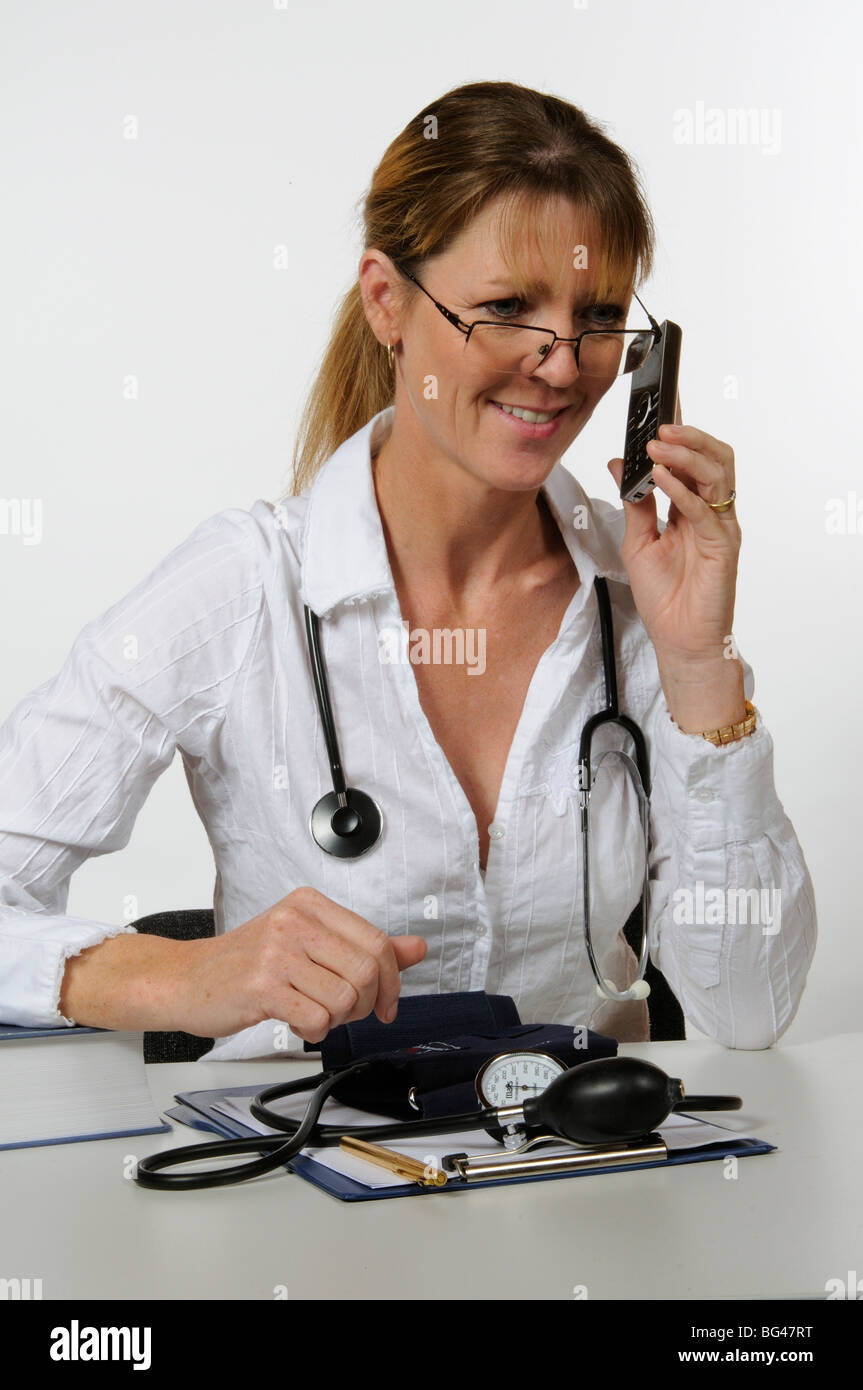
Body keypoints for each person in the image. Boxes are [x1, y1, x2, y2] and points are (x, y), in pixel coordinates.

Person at [0, 80, 816, 1059]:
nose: (561, 365)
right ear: (387, 301)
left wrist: (694, 664)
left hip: (575, 1185)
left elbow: (747, 1011)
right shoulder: (242, 588)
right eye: (506, 308)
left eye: (597, 315)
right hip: (305, 1188)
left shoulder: (634, 595)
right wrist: (185, 975)